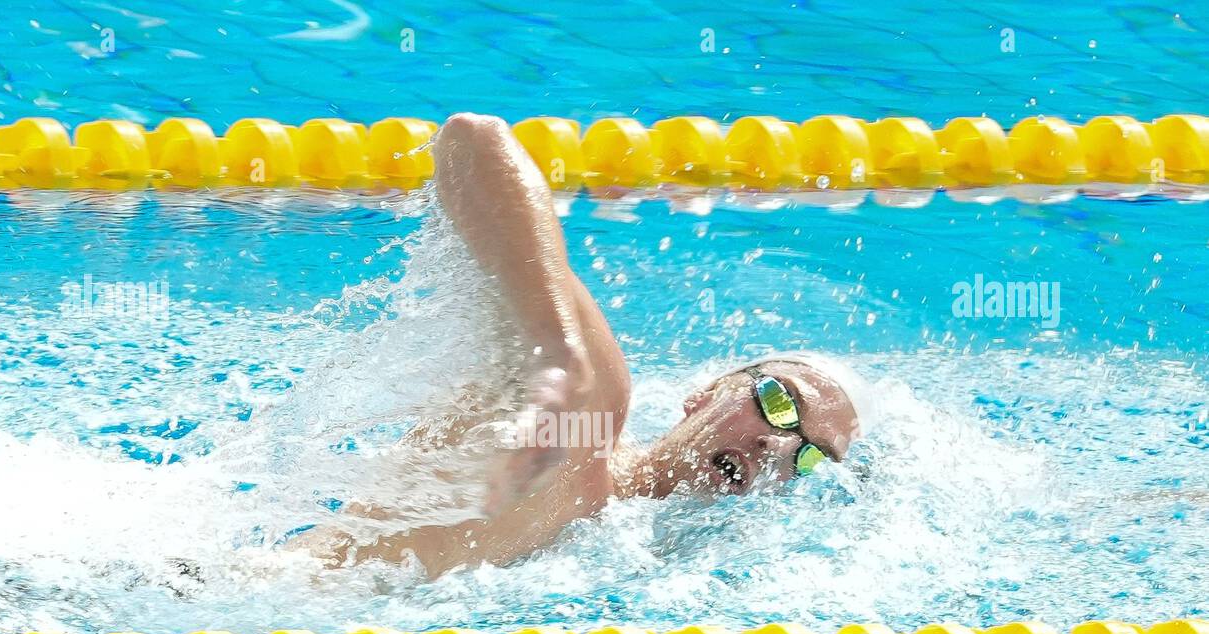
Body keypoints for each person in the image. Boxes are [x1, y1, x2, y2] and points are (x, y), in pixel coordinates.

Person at [292, 113, 869, 577]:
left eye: (810, 456)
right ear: (706, 393)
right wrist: (557, 356)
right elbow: (470, 142)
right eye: (778, 401)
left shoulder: (652, 567)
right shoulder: (585, 424)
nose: (777, 444)